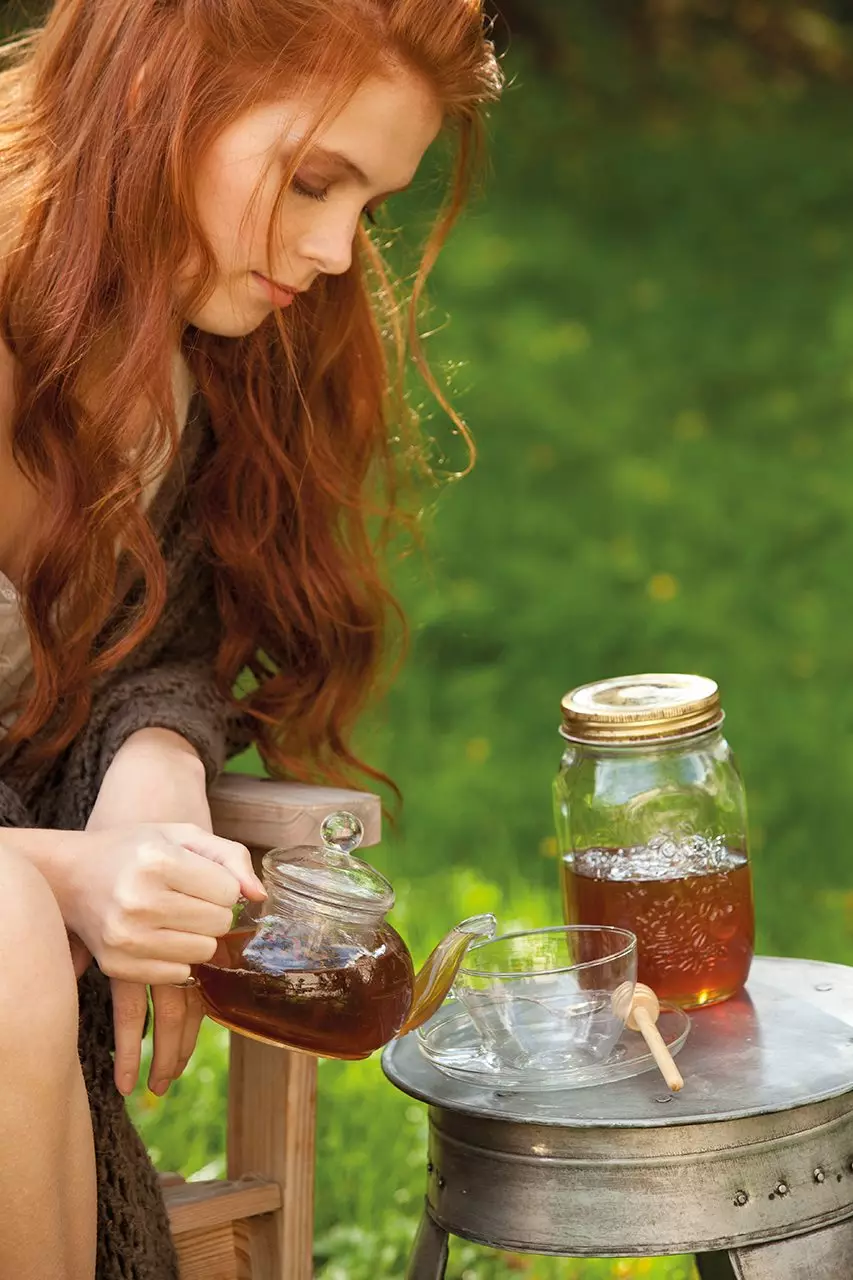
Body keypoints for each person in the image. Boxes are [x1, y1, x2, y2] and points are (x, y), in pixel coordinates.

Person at [0, 1, 502, 1276]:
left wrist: (157, 761)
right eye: (314, 179)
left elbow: (159, 639)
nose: (336, 250)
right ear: (162, 96)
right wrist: (63, 877)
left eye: (368, 206)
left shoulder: (178, 368)